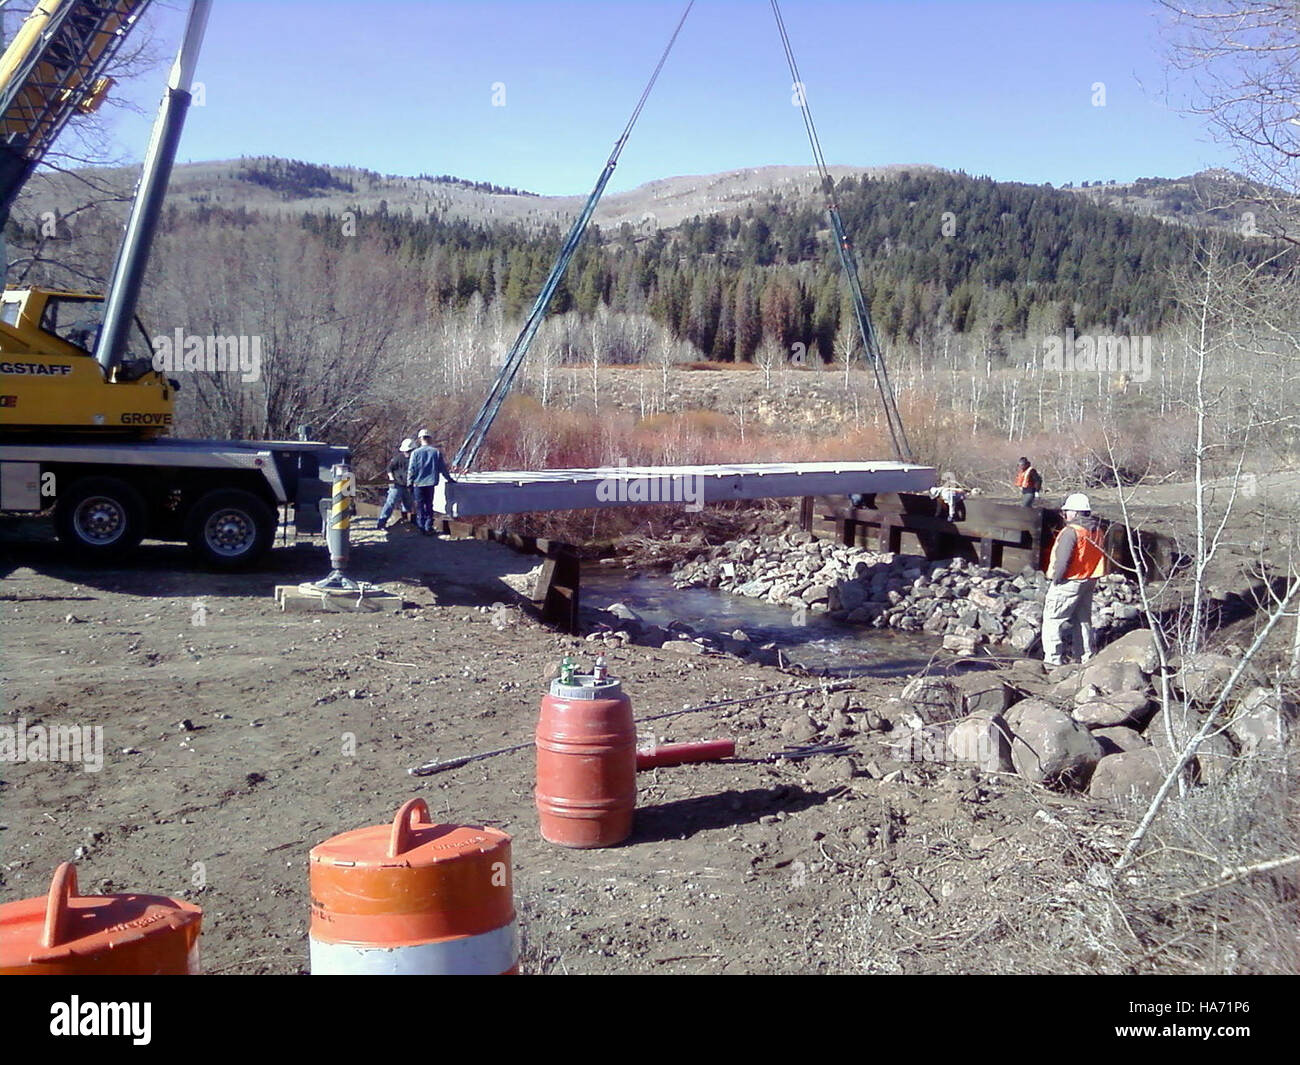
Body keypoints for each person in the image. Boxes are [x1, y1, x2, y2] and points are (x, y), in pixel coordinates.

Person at [1042, 493, 1107, 667]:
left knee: (1052, 620)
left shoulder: (1071, 532)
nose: (1065, 515)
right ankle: (1085, 657)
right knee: (1082, 619)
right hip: (1089, 580)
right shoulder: (1097, 530)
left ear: (1076, 513)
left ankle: (1053, 661)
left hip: (1070, 581)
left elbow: (1063, 560)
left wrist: (1056, 578)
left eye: (1068, 511)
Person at [406, 428, 455, 536]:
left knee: (419, 505)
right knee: (429, 505)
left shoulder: (415, 453)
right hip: (431, 483)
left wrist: (409, 483)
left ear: (420, 439)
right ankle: (428, 526)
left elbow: (411, 469)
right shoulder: (436, 452)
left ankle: (421, 526)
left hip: (418, 483)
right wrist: (450, 479)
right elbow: (442, 469)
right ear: (430, 439)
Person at [376, 437, 415, 530]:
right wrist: (391, 478)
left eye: (409, 451)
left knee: (409, 505)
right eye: (406, 451)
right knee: (390, 503)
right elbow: (389, 468)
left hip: (408, 485)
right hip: (396, 484)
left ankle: (408, 521)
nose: (407, 453)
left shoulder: (414, 459)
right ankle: (381, 523)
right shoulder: (398, 458)